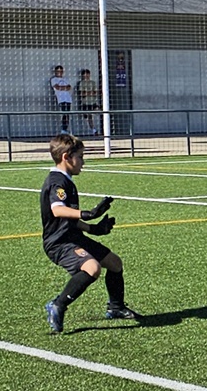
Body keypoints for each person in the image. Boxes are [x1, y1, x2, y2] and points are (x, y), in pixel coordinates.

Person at [41, 133, 137, 333]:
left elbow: (69, 220)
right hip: (59, 243)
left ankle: (116, 307)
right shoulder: (57, 182)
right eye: (81, 157)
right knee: (92, 268)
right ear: (67, 157)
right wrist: (87, 214)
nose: (83, 162)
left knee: (114, 263)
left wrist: (95, 229)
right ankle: (58, 305)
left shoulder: (66, 180)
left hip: (72, 237)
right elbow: (57, 210)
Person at [50, 65, 73, 134]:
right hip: (61, 99)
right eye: (58, 71)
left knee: (67, 114)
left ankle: (66, 128)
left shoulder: (65, 79)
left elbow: (69, 87)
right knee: (63, 113)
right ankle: (63, 129)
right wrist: (64, 88)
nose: (60, 72)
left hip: (68, 98)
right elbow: (57, 87)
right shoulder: (54, 79)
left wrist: (62, 87)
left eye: (61, 71)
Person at [76, 69, 99, 136]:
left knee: (98, 111)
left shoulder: (93, 82)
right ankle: (94, 130)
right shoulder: (81, 83)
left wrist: (87, 93)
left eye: (87, 75)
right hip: (86, 103)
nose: (86, 76)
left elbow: (95, 93)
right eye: (85, 75)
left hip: (93, 102)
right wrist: (90, 93)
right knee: (89, 116)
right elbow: (82, 94)